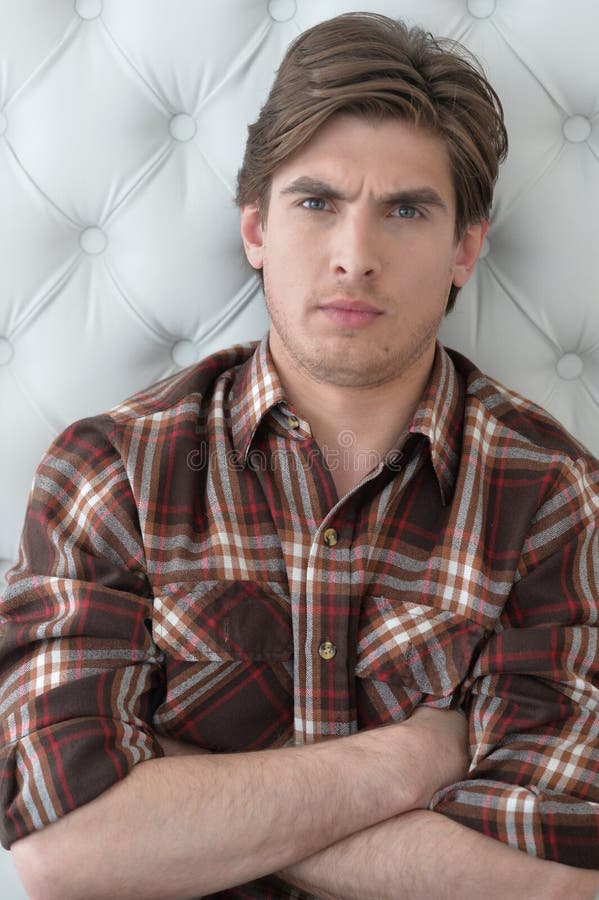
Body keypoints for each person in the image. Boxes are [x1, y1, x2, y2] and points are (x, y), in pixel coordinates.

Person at [1, 11, 598, 899]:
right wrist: (409, 760)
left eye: (405, 210)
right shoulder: (111, 470)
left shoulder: (549, 493)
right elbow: (64, 850)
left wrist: (179, 808)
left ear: (464, 248)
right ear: (255, 229)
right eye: (316, 202)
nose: (354, 257)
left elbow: (547, 880)